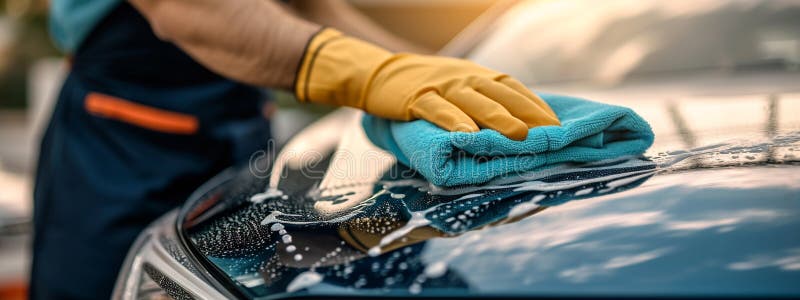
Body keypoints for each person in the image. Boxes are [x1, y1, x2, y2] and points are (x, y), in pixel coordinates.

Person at [32, 0, 560, 298]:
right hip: (122, 144)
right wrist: (374, 73)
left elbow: (310, 7)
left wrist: (445, 73)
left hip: (242, 130)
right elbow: (183, 6)